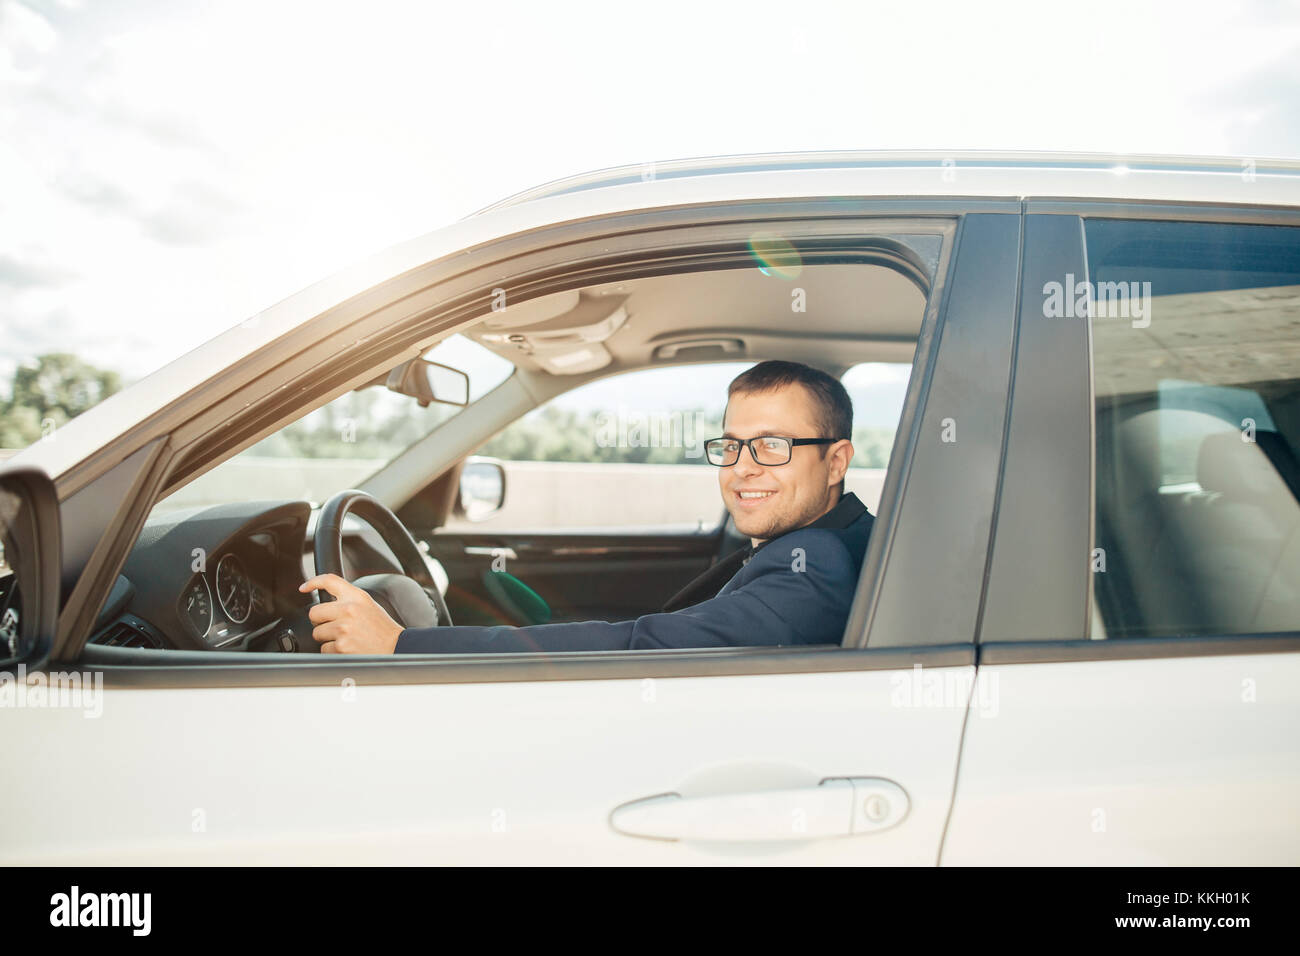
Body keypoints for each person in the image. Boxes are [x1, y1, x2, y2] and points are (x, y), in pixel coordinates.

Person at [299, 360, 874, 653]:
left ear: (836, 461)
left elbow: (642, 649)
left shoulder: (816, 566)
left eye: (773, 446)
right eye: (731, 446)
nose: (743, 467)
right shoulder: (808, 544)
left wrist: (401, 644)